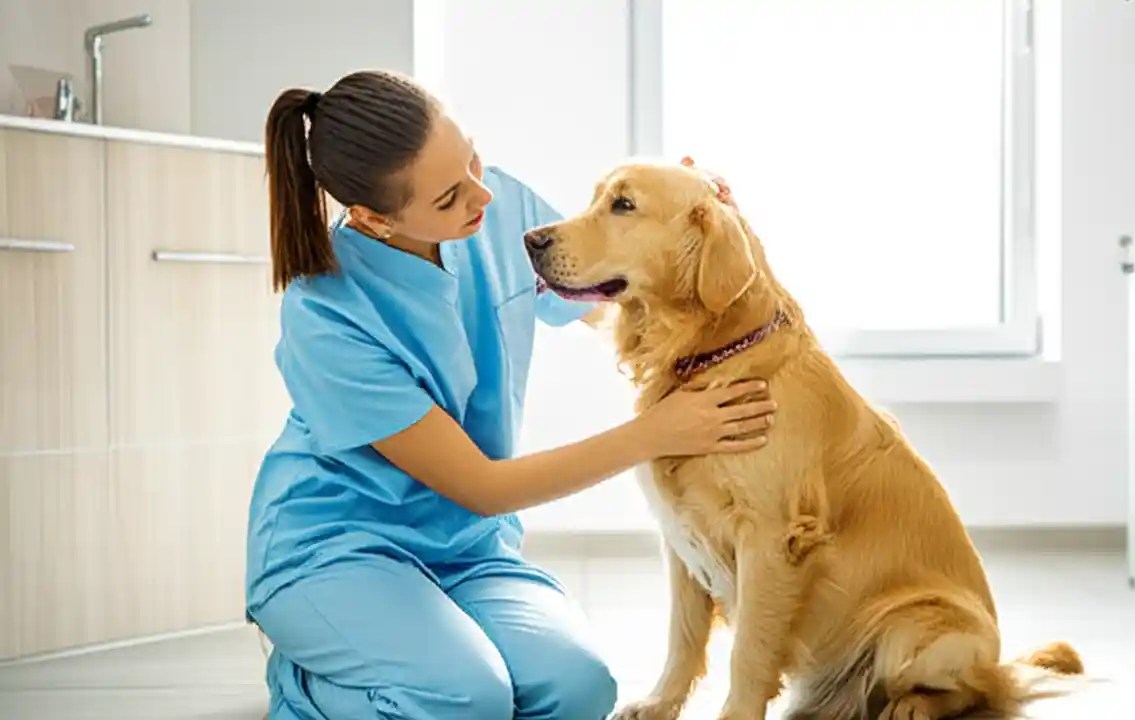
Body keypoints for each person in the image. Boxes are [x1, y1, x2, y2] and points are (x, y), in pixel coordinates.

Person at [245, 69, 776, 720]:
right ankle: (309, 680)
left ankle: (408, 658)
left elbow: (619, 305)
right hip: (336, 551)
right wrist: (658, 431)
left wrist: (697, 240)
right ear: (373, 219)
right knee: (470, 698)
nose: (481, 196)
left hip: (465, 549)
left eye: (472, 157)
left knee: (580, 689)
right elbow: (484, 488)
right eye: (449, 195)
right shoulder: (325, 315)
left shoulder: (494, 212)